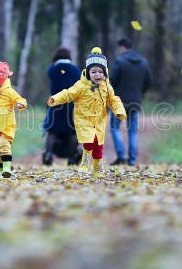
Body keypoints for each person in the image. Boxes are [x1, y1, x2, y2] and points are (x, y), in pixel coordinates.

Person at [47, 47, 126, 175]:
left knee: (98, 145)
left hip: (99, 121)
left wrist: (119, 111)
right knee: (90, 140)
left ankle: (97, 168)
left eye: (100, 72)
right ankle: (85, 161)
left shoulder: (106, 87)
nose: (97, 75)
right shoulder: (81, 86)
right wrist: (55, 99)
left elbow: (113, 100)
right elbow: (68, 93)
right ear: (88, 73)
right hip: (84, 119)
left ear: (105, 73)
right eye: (93, 72)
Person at [109, 37, 153, 166]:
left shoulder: (120, 61)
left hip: (119, 101)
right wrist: (140, 92)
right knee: (133, 130)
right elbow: (149, 81)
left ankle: (121, 155)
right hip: (135, 100)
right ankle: (132, 159)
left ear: (122, 47)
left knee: (114, 127)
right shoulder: (143, 62)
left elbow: (113, 80)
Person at [42, 47, 82, 165]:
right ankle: (72, 157)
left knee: (52, 130)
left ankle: (48, 154)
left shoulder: (52, 69)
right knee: (72, 131)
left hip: (55, 103)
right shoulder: (76, 70)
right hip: (71, 105)